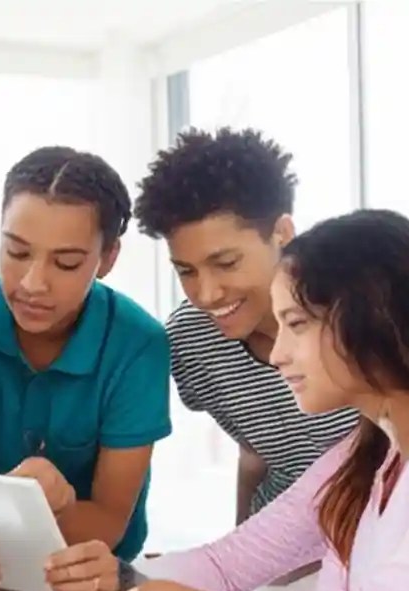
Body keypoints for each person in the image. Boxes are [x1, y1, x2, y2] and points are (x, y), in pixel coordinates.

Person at [45, 209, 409, 591]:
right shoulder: (363, 455)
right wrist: (119, 578)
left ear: (372, 315)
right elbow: (231, 565)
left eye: (297, 324)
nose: (278, 354)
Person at [0, 146, 172, 564]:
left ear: (108, 258)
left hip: (93, 566)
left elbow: (109, 522)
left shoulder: (139, 344)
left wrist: (57, 504)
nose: (33, 284)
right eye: (17, 253)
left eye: (67, 263)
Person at [133, 127, 359, 530]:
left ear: (282, 234)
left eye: (226, 263)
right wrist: (237, 549)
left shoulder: (359, 315)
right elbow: (255, 453)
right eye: (186, 271)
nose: (206, 294)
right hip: (278, 539)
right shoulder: (191, 340)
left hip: (371, 535)